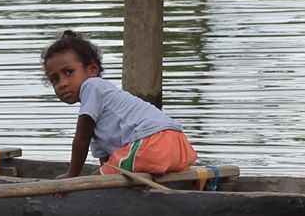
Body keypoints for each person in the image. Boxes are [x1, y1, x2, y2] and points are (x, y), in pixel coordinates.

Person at [42, 30, 196, 178]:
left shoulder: (92, 86)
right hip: (179, 147)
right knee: (106, 173)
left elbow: (81, 140)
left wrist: (72, 176)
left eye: (69, 72)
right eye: (54, 79)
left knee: (93, 184)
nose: (62, 84)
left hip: (152, 144)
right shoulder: (99, 120)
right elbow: (107, 164)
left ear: (92, 70)